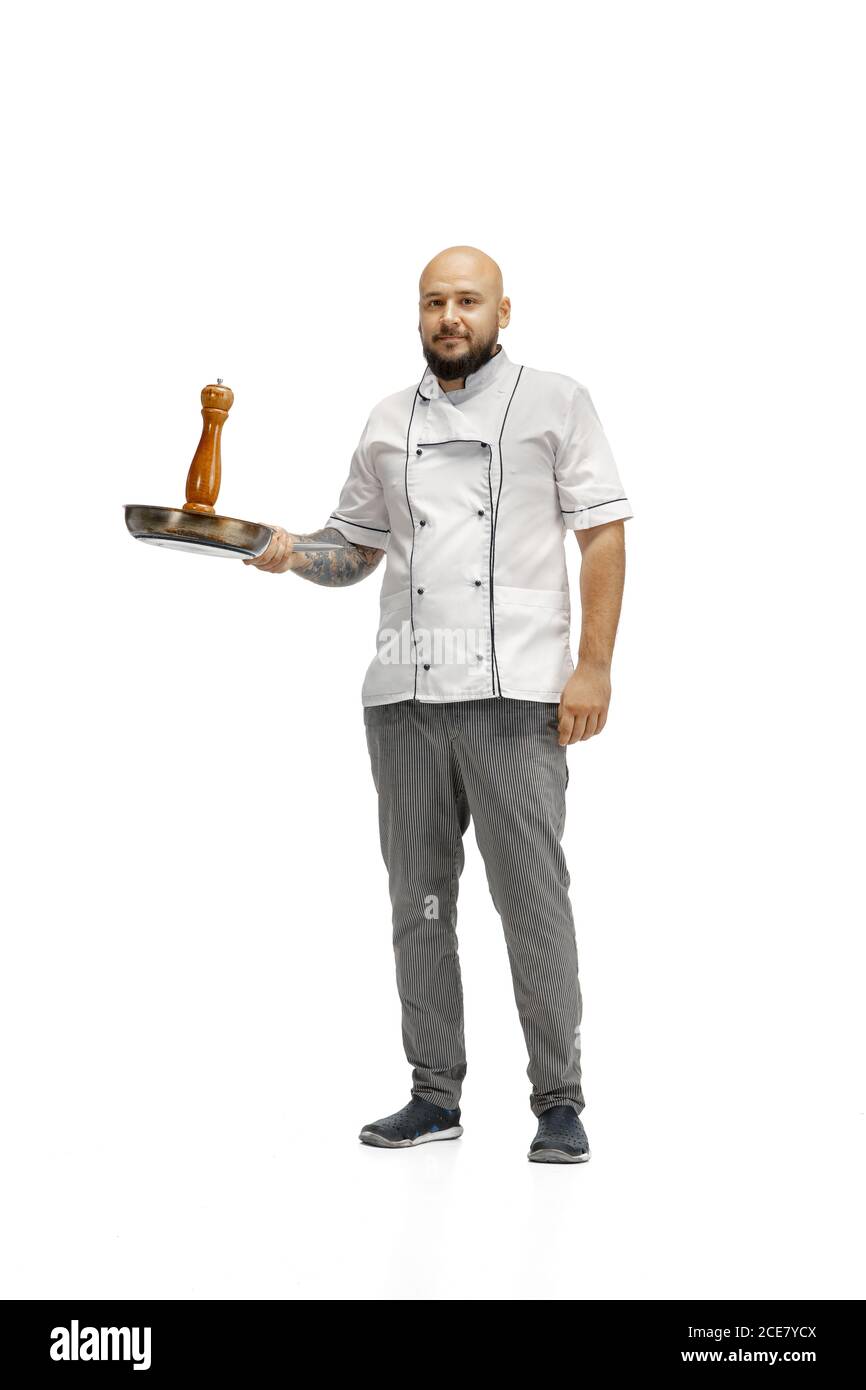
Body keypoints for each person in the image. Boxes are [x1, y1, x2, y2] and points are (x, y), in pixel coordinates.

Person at [245, 245, 633, 1163]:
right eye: (433, 302)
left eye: (467, 301)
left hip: (515, 692)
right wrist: (286, 550)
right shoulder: (388, 421)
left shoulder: (557, 402)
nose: (449, 317)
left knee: (531, 899)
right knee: (417, 899)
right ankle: (433, 1093)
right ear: (417, 316)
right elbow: (353, 548)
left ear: (504, 312)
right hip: (405, 697)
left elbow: (605, 535)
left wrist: (596, 667)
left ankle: (558, 1101)